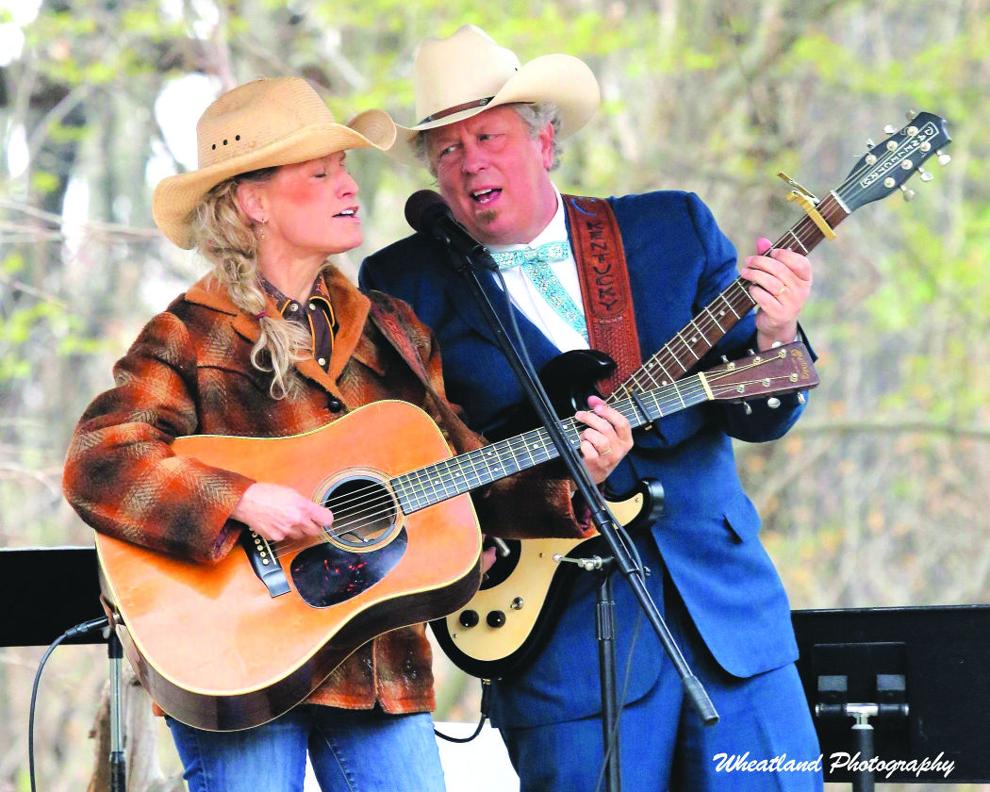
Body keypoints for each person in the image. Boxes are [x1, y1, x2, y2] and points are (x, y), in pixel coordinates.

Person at [62, 75, 631, 792]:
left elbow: (467, 471)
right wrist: (238, 499)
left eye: (345, 169)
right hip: (239, 662)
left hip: (379, 661)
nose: (348, 186)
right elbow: (100, 460)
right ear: (253, 201)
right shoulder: (190, 333)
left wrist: (580, 477)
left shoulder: (389, 327)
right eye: (321, 172)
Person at [360, 25, 823, 791]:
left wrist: (775, 328)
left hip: (729, 623)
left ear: (545, 142)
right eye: (446, 149)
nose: (471, 160)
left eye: (489, 135)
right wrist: (556, 488)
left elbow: (761, 416)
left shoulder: (668, 228)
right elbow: (411, 459)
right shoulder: (404, 283)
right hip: (562, 641)